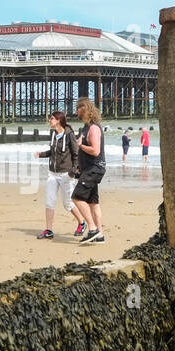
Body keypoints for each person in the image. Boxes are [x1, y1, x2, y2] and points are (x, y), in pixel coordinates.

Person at [34, 110, 84, 238]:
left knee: (67, 203)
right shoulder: (53, 134)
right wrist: (41, 154)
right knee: (49, 201)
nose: (49, 120)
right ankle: (49, 230)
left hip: (65, 174)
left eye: (51, 118)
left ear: (58, 121)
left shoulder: (69, 135)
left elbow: (76, 154)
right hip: (52, 173)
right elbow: (52, 151)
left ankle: (82, 222)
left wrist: (73, 172)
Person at [72, 97, 107, 244]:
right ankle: (99, 236)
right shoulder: (86, 127)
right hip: (89, 169)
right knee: (93, 203)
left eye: (78, 108)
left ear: (84, 109)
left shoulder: (93, 128)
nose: (76, 111)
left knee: (77, 197)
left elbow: (95, 150)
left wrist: (80, 145)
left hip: (94, 168)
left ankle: (92, 229)